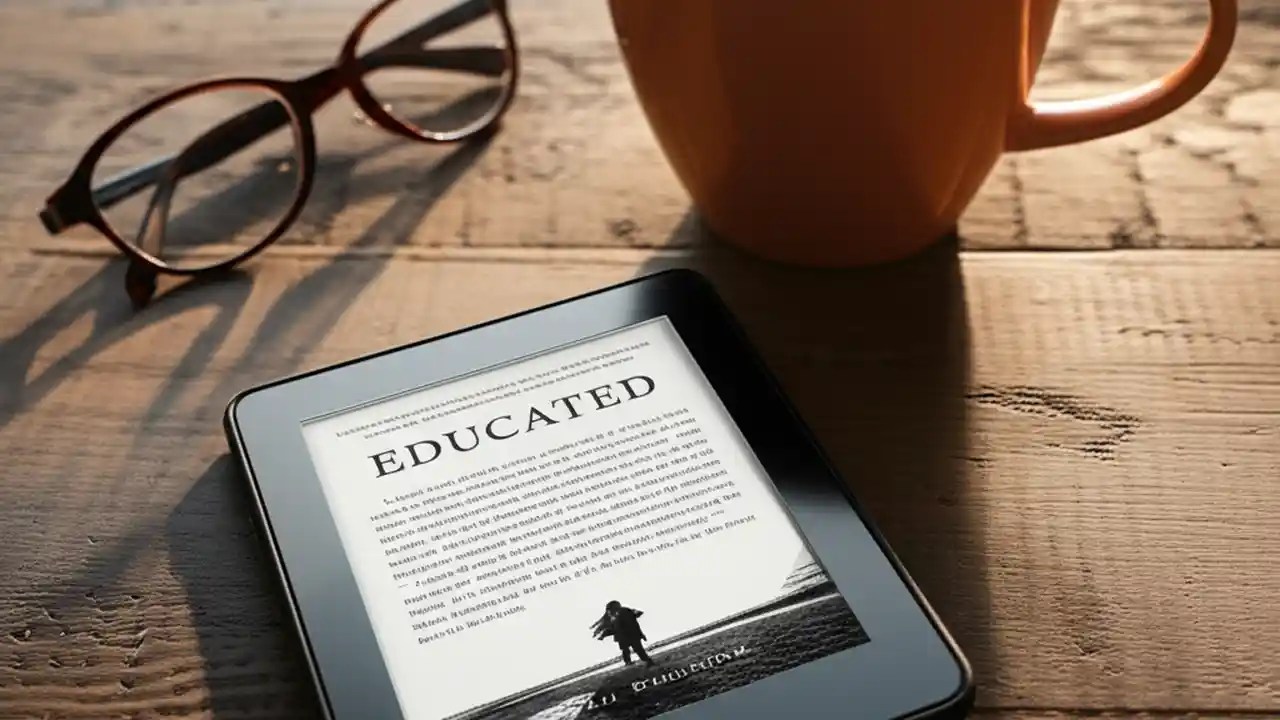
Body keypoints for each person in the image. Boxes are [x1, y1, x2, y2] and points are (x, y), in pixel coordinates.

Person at [591, 600, 655, 666]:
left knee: (635, 650)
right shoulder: (618, 615)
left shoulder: (623, 613)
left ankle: (645, 662)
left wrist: (604, 635)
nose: (609, 612)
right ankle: (639, 662)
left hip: (630, 636)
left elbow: (617, 628)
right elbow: (614, 629)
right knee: (631, 650)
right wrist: (603, 635)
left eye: (609, 610)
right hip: (627, 637)